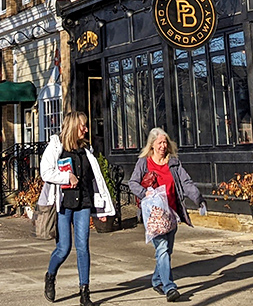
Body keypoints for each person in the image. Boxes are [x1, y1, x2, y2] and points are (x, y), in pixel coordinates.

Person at [40, 111, 115, 306]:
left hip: (83, 203)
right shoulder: (56, 146)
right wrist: (67, 178)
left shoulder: (86, 150)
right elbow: (45, 172)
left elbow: (94, 182)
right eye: (83, 125)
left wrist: (102, 210)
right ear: (74, 125)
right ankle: (50, 275)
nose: (86, 129)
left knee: (83, 247)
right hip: (64, 204)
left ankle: (84, 292)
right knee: (64, 248)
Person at [129, 128, 206, 302]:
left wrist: (198, 199)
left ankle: (157, 280)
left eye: (165, 142)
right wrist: (144, 192)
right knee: (162, 249)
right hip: (154, 215)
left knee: (167, 251)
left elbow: (186, 182)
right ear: (152, 145)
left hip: (171, 213)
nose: (163, 146)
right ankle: (169, 287)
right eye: (160, 143)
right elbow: (132, 182)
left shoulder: (173, 162)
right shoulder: (144, 162)